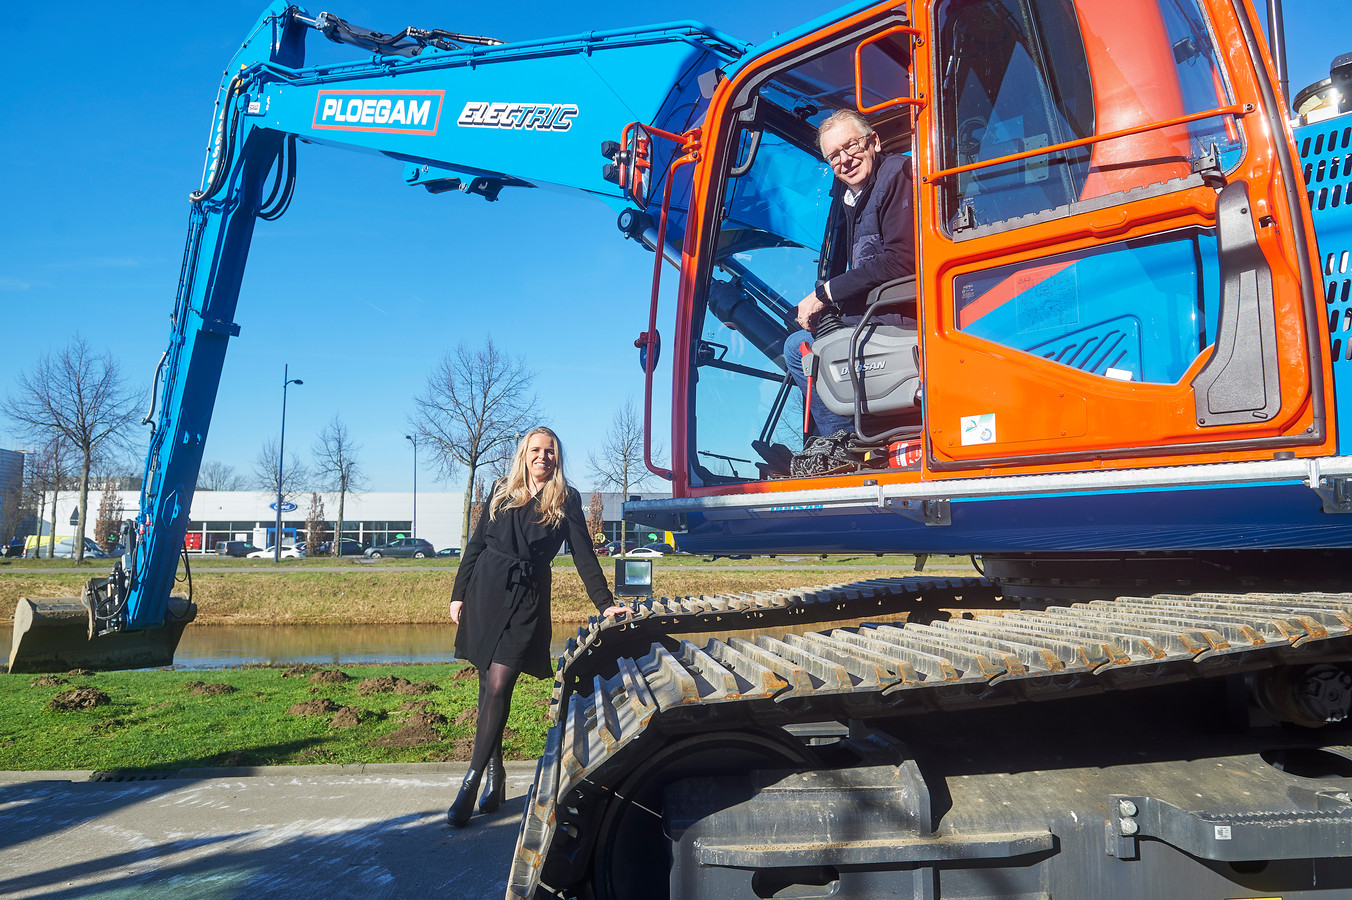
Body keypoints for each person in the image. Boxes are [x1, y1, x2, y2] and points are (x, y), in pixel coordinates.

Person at [446, 426, 627, 828]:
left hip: (527, 600)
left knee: (499, 685)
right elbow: (475, 545)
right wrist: (458, 595)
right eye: (536, 450)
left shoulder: (566, 498)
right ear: (523, 454)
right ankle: (496, 774)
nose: (543, 456)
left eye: (550, 451)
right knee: (484, 686)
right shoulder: (498, 488)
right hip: (484, 592)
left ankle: (471, 782)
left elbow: (584, 556)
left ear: (557, 457)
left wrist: (606, 604)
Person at [784, 108, 916, 438]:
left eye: (851, 145)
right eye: (834, 156)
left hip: (901, 314)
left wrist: (825, 293)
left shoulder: (897, 174)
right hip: (879, 312)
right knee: (803, 330)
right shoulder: (854, 198)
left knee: (796, 348)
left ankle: (844, 442)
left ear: (873, 141)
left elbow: (902, 260)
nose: (845, 159)